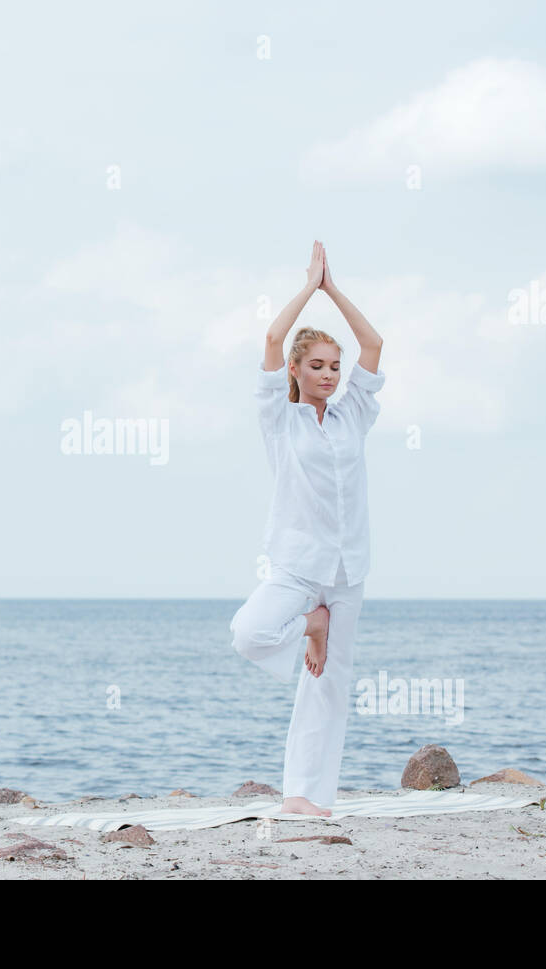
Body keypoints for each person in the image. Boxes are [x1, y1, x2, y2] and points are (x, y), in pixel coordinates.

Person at [230, 239, 386, 818]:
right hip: (297, 567)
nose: (328, 375)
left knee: (327, 688)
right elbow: (272, 340)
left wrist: (334, 291)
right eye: (316, 366)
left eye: (334, 367)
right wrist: (307, 287)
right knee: (250, 634)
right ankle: (310, 625)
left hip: (348, 570)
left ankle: (305, 797)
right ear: (295, 371)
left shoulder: (353, 417)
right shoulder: (280, 420)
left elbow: (374, 344)